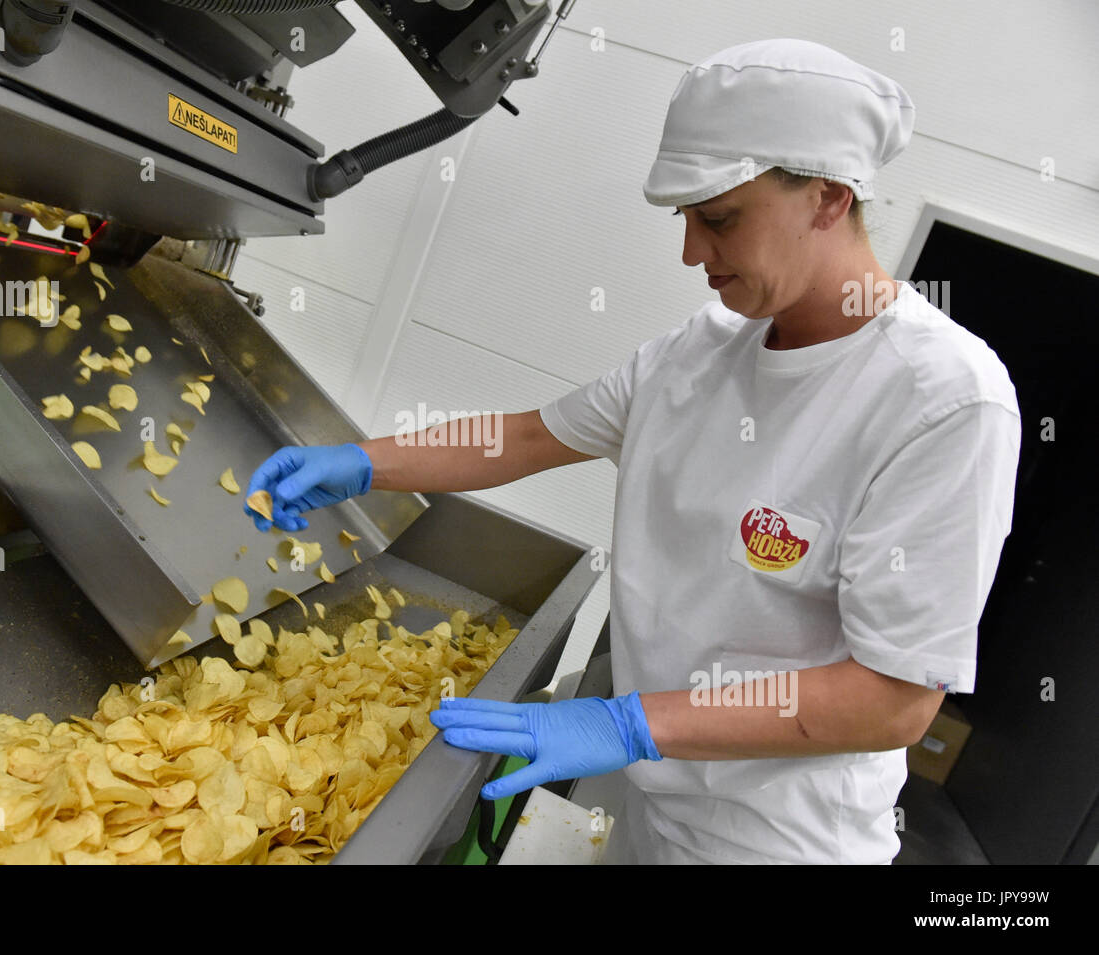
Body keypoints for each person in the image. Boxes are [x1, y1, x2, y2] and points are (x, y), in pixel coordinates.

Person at [242, 39, 1022, 864]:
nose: (693, 254)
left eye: (719, 219)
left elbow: (894, 700)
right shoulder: (703, 351)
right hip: (652, 801)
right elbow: (526, 436)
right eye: (685, 219)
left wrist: (629, 721)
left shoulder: (943, 399)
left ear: (827, 199)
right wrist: (366, 462)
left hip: (781, 842)